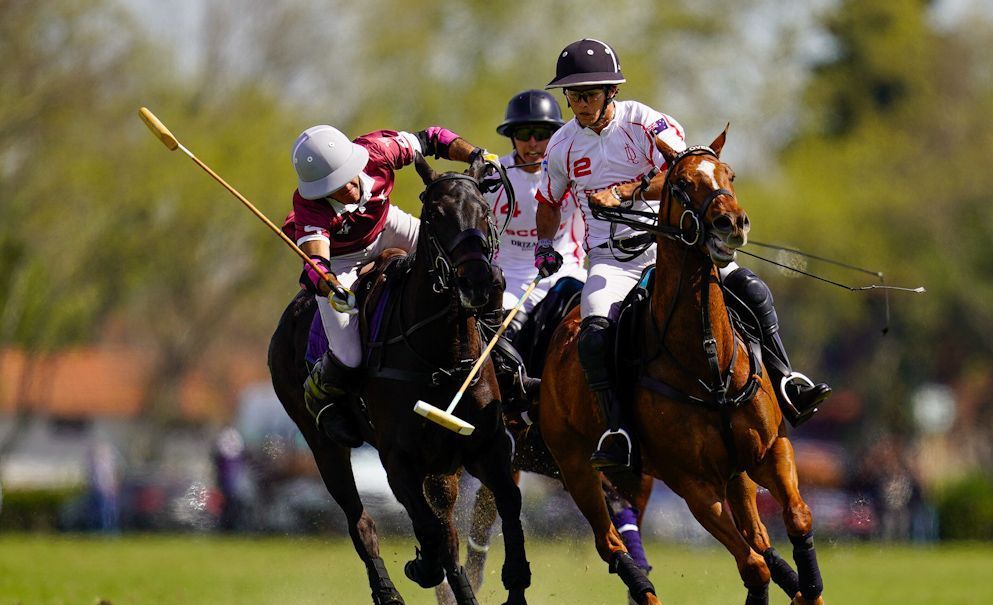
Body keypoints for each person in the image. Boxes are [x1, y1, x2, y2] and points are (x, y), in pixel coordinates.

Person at [533, 38, 832, 472]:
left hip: (669, 246)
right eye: (573, 95)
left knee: (751, 288)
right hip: (610, 259)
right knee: (594, 334)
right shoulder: (561, 145)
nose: (580, 103)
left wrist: (624, 192)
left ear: (611, 92)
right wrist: (545, 246)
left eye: (589, 94)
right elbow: (548, 202)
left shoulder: (645, 122)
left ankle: (787, 381)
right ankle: (617, 431)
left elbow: (685, 171)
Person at [285, 122, 492, 447]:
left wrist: (476, 153)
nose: (346, 191)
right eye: (333, 188)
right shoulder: (309, 206)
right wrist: (330, 286)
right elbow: (315, 265)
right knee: (348, 355)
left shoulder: (378, 152)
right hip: (343, 259)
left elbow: (432, 139)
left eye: (345, 179)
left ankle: (497, 351)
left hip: (389, 225)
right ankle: (322, 400)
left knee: (464, 255)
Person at [490, 89, 586, 322]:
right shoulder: (490, 178)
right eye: (524, 133)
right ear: (512, 137)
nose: (533, 143)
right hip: (509, 282)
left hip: (566, 275)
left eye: (542, 134)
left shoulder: (576, 172)